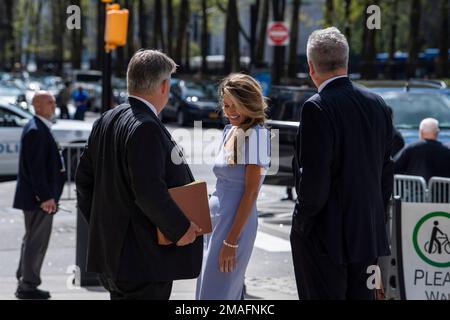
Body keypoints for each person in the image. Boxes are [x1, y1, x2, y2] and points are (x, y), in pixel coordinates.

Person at [75, 50, 203, 300]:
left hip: (116, 256)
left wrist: (105, 225)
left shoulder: (106, 119)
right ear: (164, 86)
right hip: (143, 260)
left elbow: (84, 181)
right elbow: (148, 192)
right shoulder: (145, 127)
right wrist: (181, 228)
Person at [290, 27, 393, 300]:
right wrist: (377, 219)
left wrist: (301, 221)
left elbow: (315, 178)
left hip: (326, 234)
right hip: (367, 233)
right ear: (347, 63)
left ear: (311, 67)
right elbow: (385, 171)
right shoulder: (377, 104)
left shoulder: (317, 107)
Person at [196, 74, 271, 300]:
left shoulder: (257, 135)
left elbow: (251, 192)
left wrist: (231, 240)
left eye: (235, 106)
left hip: (234, 225)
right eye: (226, 105)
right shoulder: (230, 130)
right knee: (210, 290)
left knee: (218, 293)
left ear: (249, 103)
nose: (230, 111)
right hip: (215, 222)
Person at [13, 91, 66, 300]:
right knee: (36, 242)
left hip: (39, 199)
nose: (54, 105)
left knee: (32, 241)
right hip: (40, 201)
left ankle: (25, 280)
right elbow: (36, 171)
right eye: (49, 102)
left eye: (54, 101)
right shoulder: (36, 130)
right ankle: (28, 285)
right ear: (37, 106)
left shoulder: (40, 127)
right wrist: (45, 197)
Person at [394, 118, 450, 182]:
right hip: (441, 191)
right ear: (437, 132)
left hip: (412, 190)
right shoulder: (446, 151)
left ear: (421, 131)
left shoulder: (410, 148)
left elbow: (393, 168)